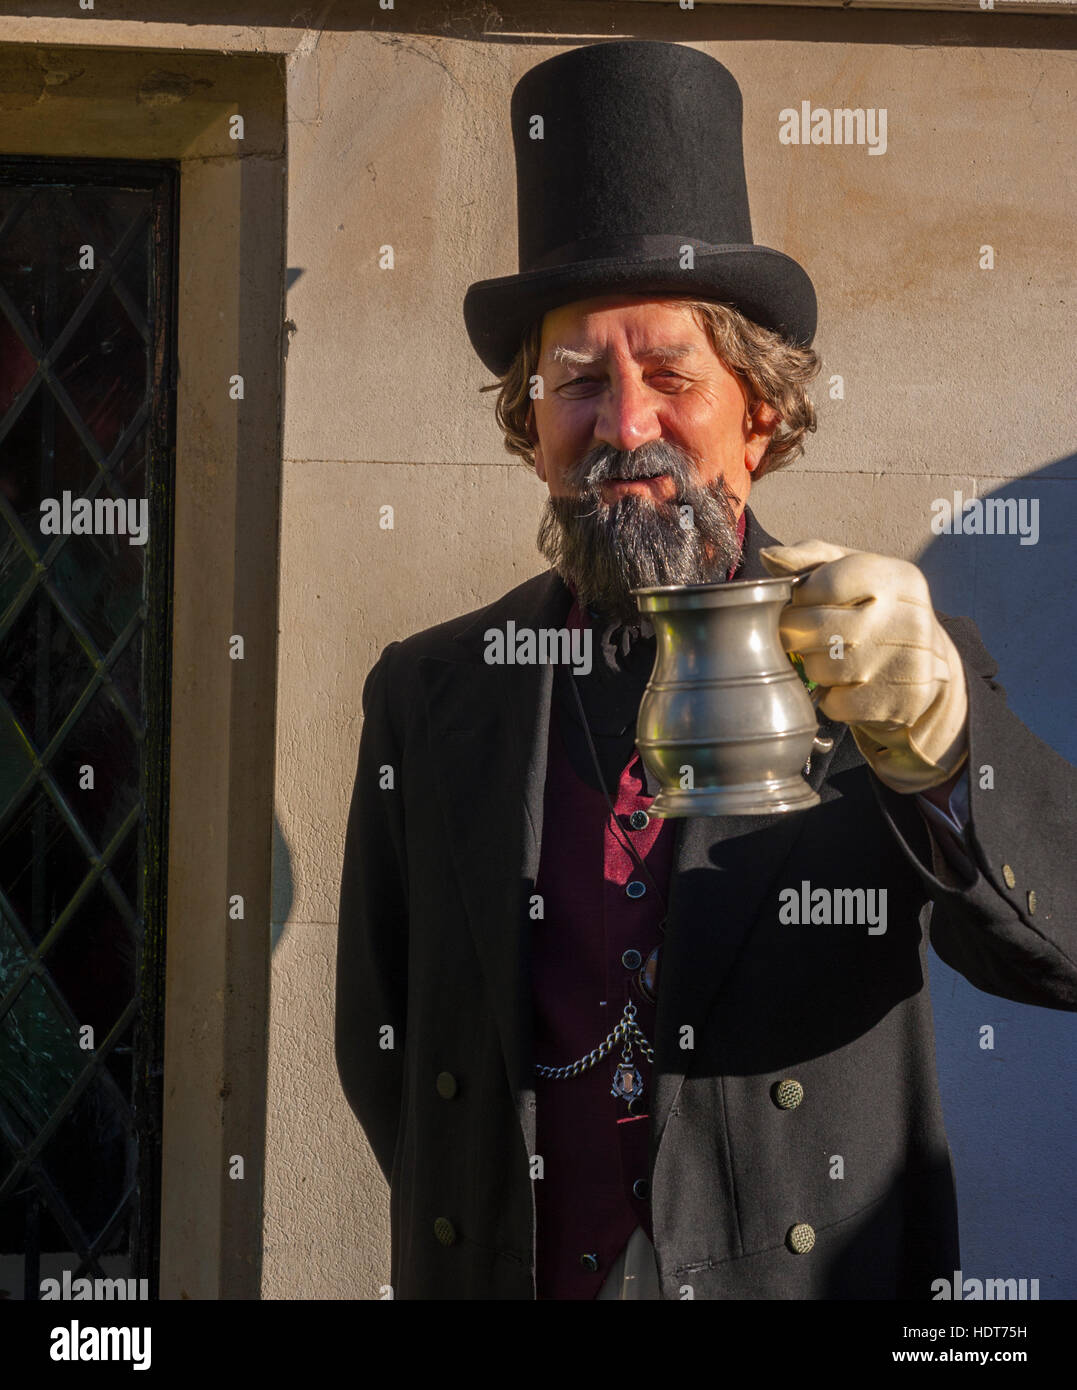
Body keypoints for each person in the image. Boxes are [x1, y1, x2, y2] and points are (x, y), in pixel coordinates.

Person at [335, 39, 1077, 1300]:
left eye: (672, 373)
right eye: (576, 381)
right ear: (532, 435)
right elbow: (386, 1049)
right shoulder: (430, 692)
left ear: (762, 415)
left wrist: (943, 752)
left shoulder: (881, 659)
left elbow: (1056, 955)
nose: (625, 424)